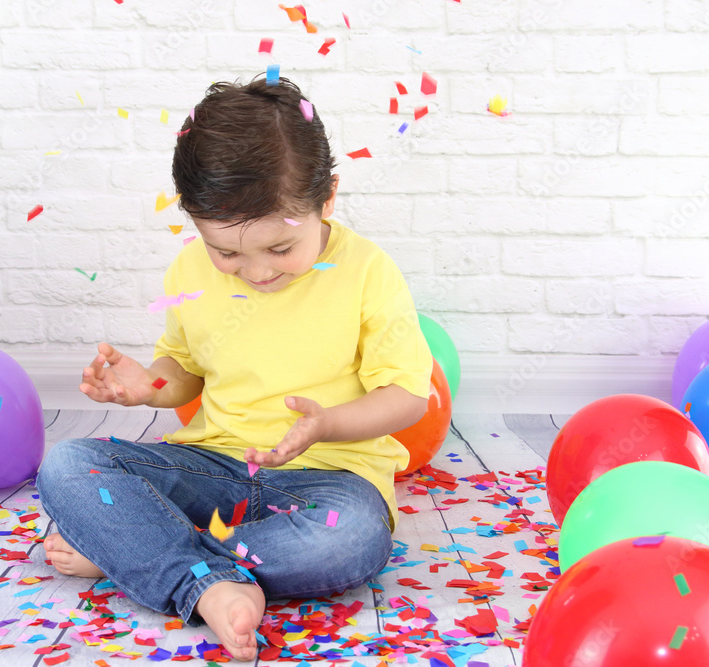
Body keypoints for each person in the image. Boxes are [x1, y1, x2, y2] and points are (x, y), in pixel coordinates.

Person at [37, 75, 433, 661]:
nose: (256, 272)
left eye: (279, 249)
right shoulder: (189, 271)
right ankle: (189, 569)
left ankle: (140, 555)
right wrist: (147, 385)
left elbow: (408, 396)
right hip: (215, 467)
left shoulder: (368, 272)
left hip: (328, 480)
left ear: (327, 199)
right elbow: (187, 370)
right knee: (69, 461)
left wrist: (325, 424)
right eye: (227, 253)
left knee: (352, 540)